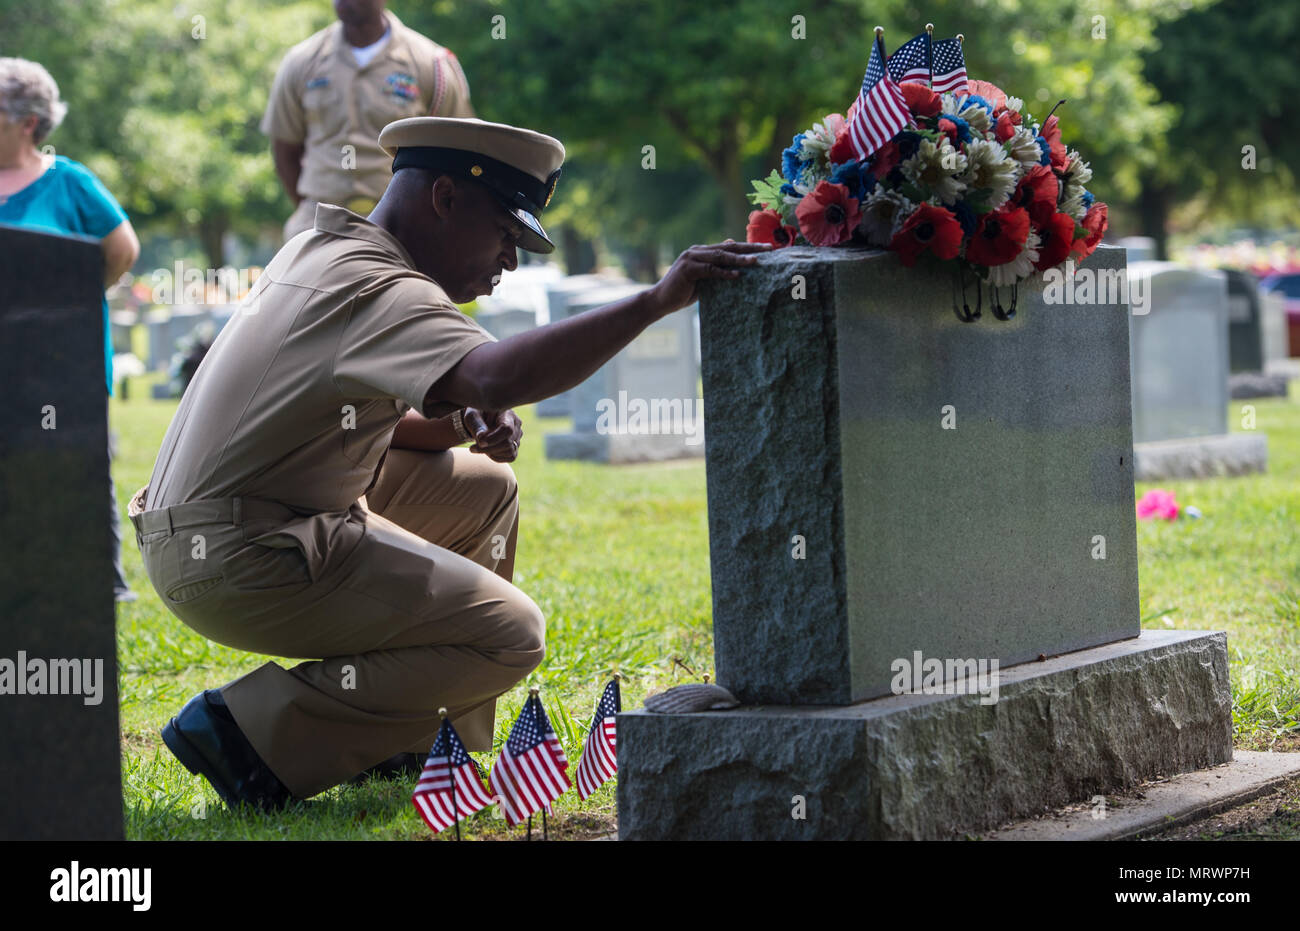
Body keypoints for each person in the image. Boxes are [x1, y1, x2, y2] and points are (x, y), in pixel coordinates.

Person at [127, 115, 769, 810]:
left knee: (484, 489)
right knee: (512, 636)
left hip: (222, 526)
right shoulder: (381, 288)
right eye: (504, 232)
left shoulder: (321, 249)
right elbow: (496, 375)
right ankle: (251, 732)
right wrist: (653, 302)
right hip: (241, 553)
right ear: (444, 198)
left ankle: (425, 741)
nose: (510, 261)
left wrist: (459, 414)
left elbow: (355, 412)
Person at [0, 57, 141, 602]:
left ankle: (102, 582)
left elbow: (122, 250)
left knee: (78, 465)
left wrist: (68, 305)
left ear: (27, 121)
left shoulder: (69, 181)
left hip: (64, 361)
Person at [263, 0, 475, 242]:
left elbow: (461, 153)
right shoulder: (301, 61)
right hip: (318, 222)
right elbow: (285, 152)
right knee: (288, 273)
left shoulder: (431, 64)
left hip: (404, 225)